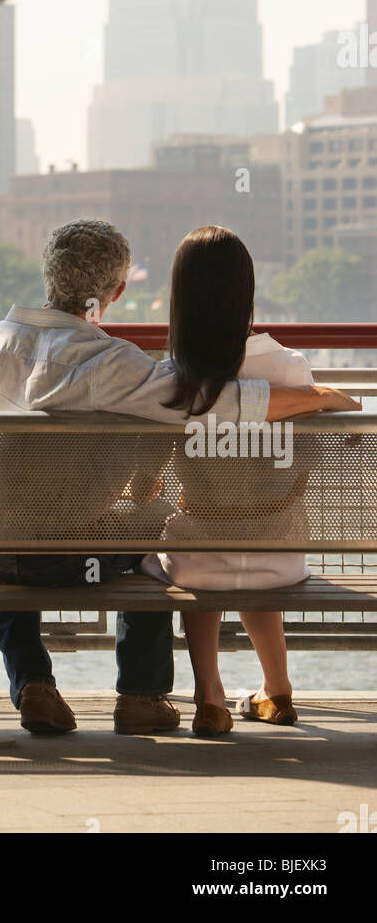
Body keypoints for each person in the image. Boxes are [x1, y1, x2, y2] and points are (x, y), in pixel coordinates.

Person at [0, 219, 359, 737]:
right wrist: (319, 397)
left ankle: (33, 678)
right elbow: (208, 402)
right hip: (59, 554)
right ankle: (141, 694)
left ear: (48, 273)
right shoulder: (105, 360)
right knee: (156, 532)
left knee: (1, 528)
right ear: (118, 289)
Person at [142, 225, 336, 736]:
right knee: (248, 542)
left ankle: (210, 696)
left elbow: (143, 485)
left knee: (190, 548)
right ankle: (278, 688)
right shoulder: (290, 367)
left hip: (200, 564)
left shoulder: (173, 377)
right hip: (281, 561)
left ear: (180, 297)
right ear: (245, 292)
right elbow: (307, 459)